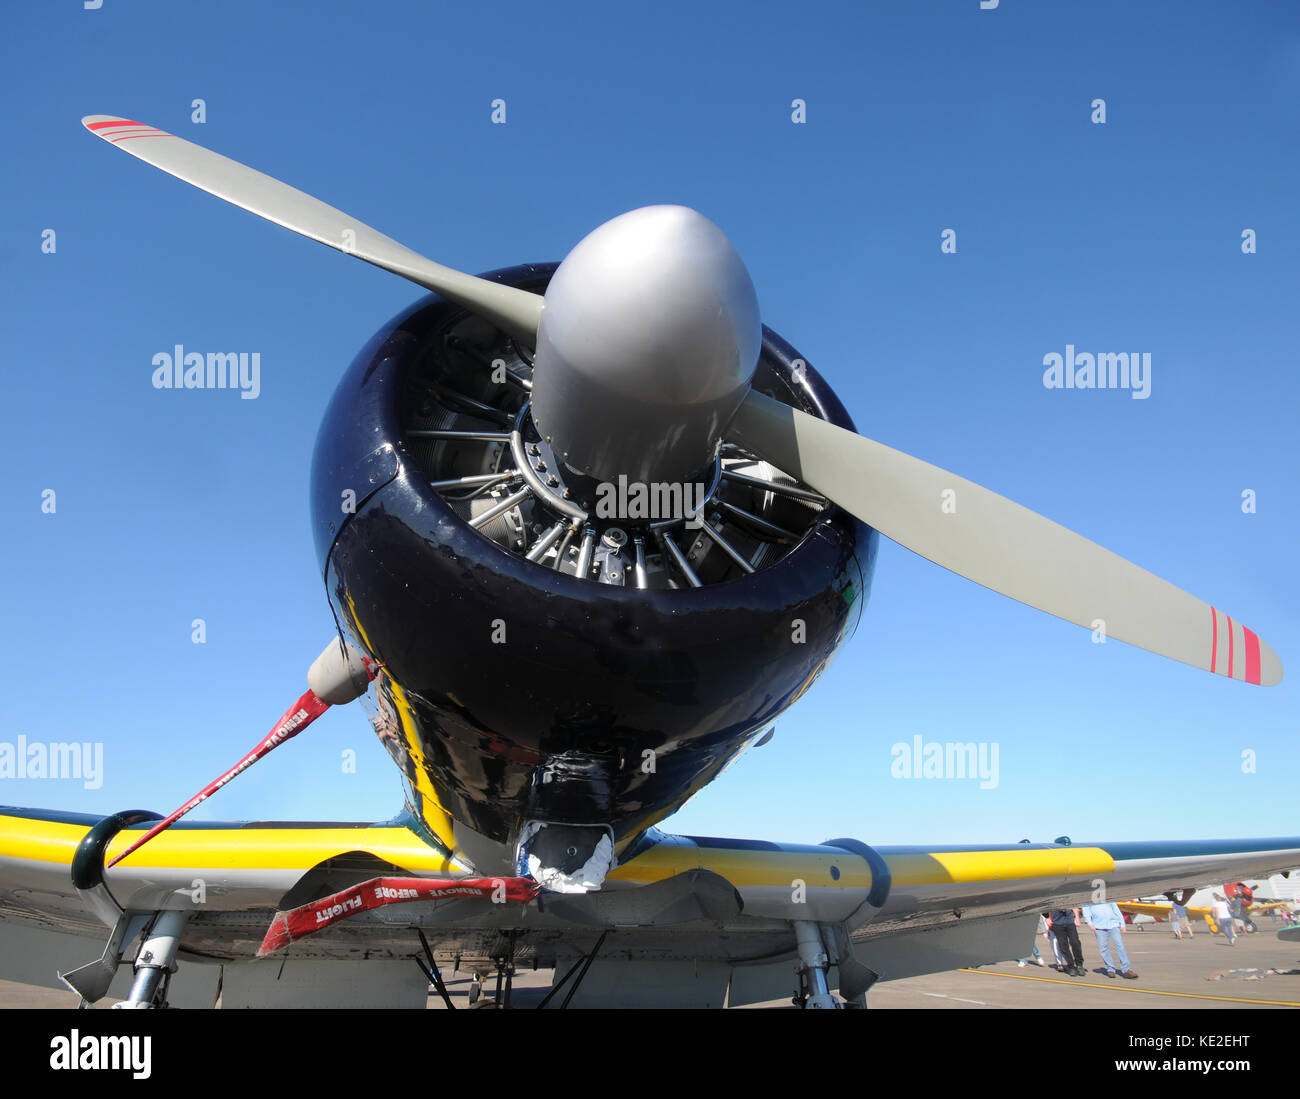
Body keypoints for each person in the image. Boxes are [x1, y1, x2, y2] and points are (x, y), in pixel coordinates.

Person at [1082, 902, 1139, 979]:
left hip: (1113, 924)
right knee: (1103, 948)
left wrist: (1122, 924)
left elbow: (1116, 910)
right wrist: (1090, 923)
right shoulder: (1089, 899)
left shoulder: (1107, 898)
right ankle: (1110, 969)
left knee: (1120, 946)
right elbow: (1086, 911)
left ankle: (1127, 969)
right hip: (1098, 926)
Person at [1050, 907, 1085, 976]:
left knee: (1075, 943)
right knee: (1063, 946)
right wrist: (1047, 918)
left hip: (1070, 922)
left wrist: (1077, 917)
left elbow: (1074, 906)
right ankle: (1071, 966)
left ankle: (1079, 965)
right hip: (1057, 923)